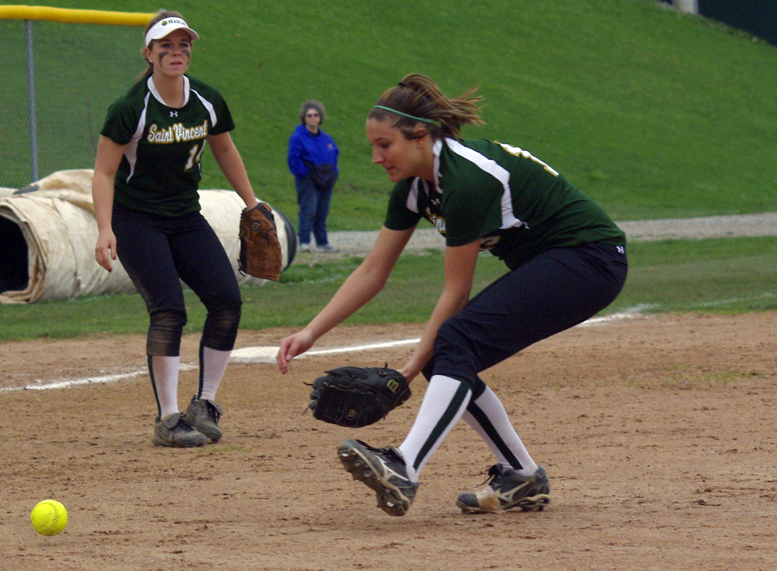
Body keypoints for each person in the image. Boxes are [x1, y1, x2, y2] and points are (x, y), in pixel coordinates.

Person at [277, 73, 628, 516]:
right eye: (373, 146)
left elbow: (456, 292)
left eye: (385, 145)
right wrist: (311, 332)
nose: (375, 157)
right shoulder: (414, 188)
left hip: (591, 259)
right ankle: (521, 476)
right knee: (446, 353)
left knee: (454, 340)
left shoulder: (465, 181)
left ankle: (404, 466)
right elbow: (373, 271)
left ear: (420, 136)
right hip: (560, 262)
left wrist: (408, 369)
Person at [92, 10, 260, 448]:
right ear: (148, 53)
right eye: (165, 45)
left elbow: (225, 149)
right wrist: (105, 228)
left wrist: (252, 203)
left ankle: (204, 404)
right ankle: (168, 420)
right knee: (169, 310)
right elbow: (104, 172)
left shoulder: (206, 100)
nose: (176, 51)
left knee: (226, 301)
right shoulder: (131, 108)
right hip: (136, 219)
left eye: (183, 44)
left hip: (186, 216)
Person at [287, 100, 339, 252]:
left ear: (320, 117)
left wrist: (333, 173)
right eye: (309, 115)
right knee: (309, 210)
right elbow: (293, 158)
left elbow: (334, 153)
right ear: (304, 118)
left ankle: (322, 242)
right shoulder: (297, 137)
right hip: (308, 178)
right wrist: (303, 173)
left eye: (316, 115)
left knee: (322, 211)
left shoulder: (326, 139)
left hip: (326, 178)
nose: (312, 118)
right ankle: (304, 242)